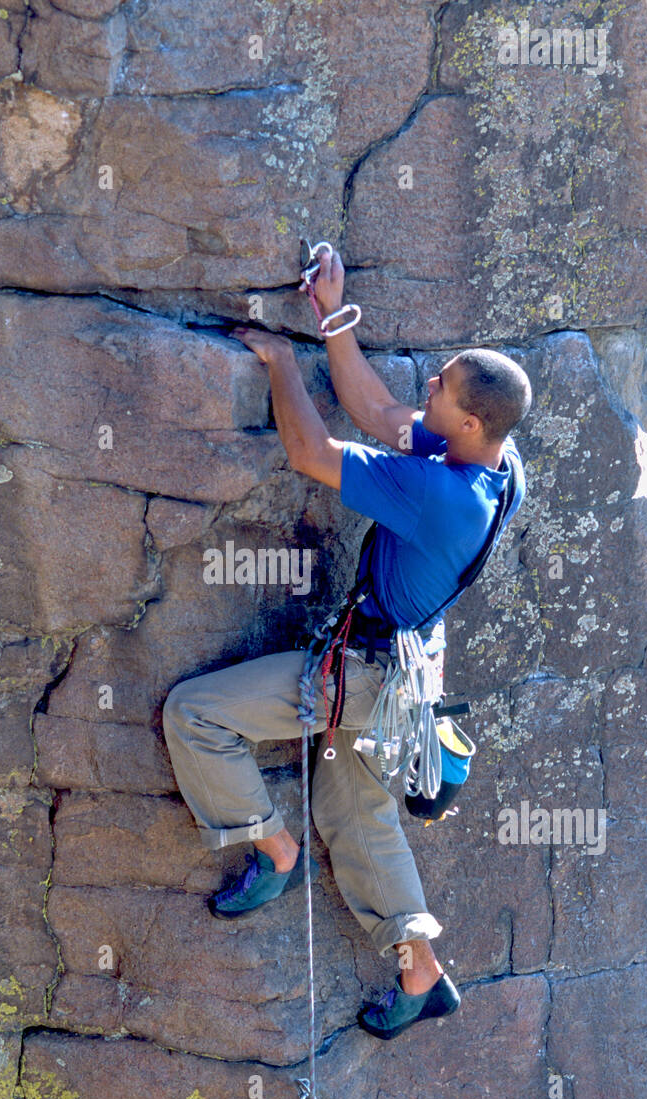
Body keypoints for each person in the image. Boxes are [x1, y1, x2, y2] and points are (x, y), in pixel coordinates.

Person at [162, 248, 531, 1040]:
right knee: (351, 806)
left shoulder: (437, 492)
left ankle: (272, 845)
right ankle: (420, 969)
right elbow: (381, 415)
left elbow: (312, 455)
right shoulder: (497, 466)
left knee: (196, 715)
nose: (426, 385)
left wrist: (282, 363)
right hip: (403, 676)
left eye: (442, 387)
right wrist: (332, 315)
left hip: (360, 677)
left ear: (469, 420)